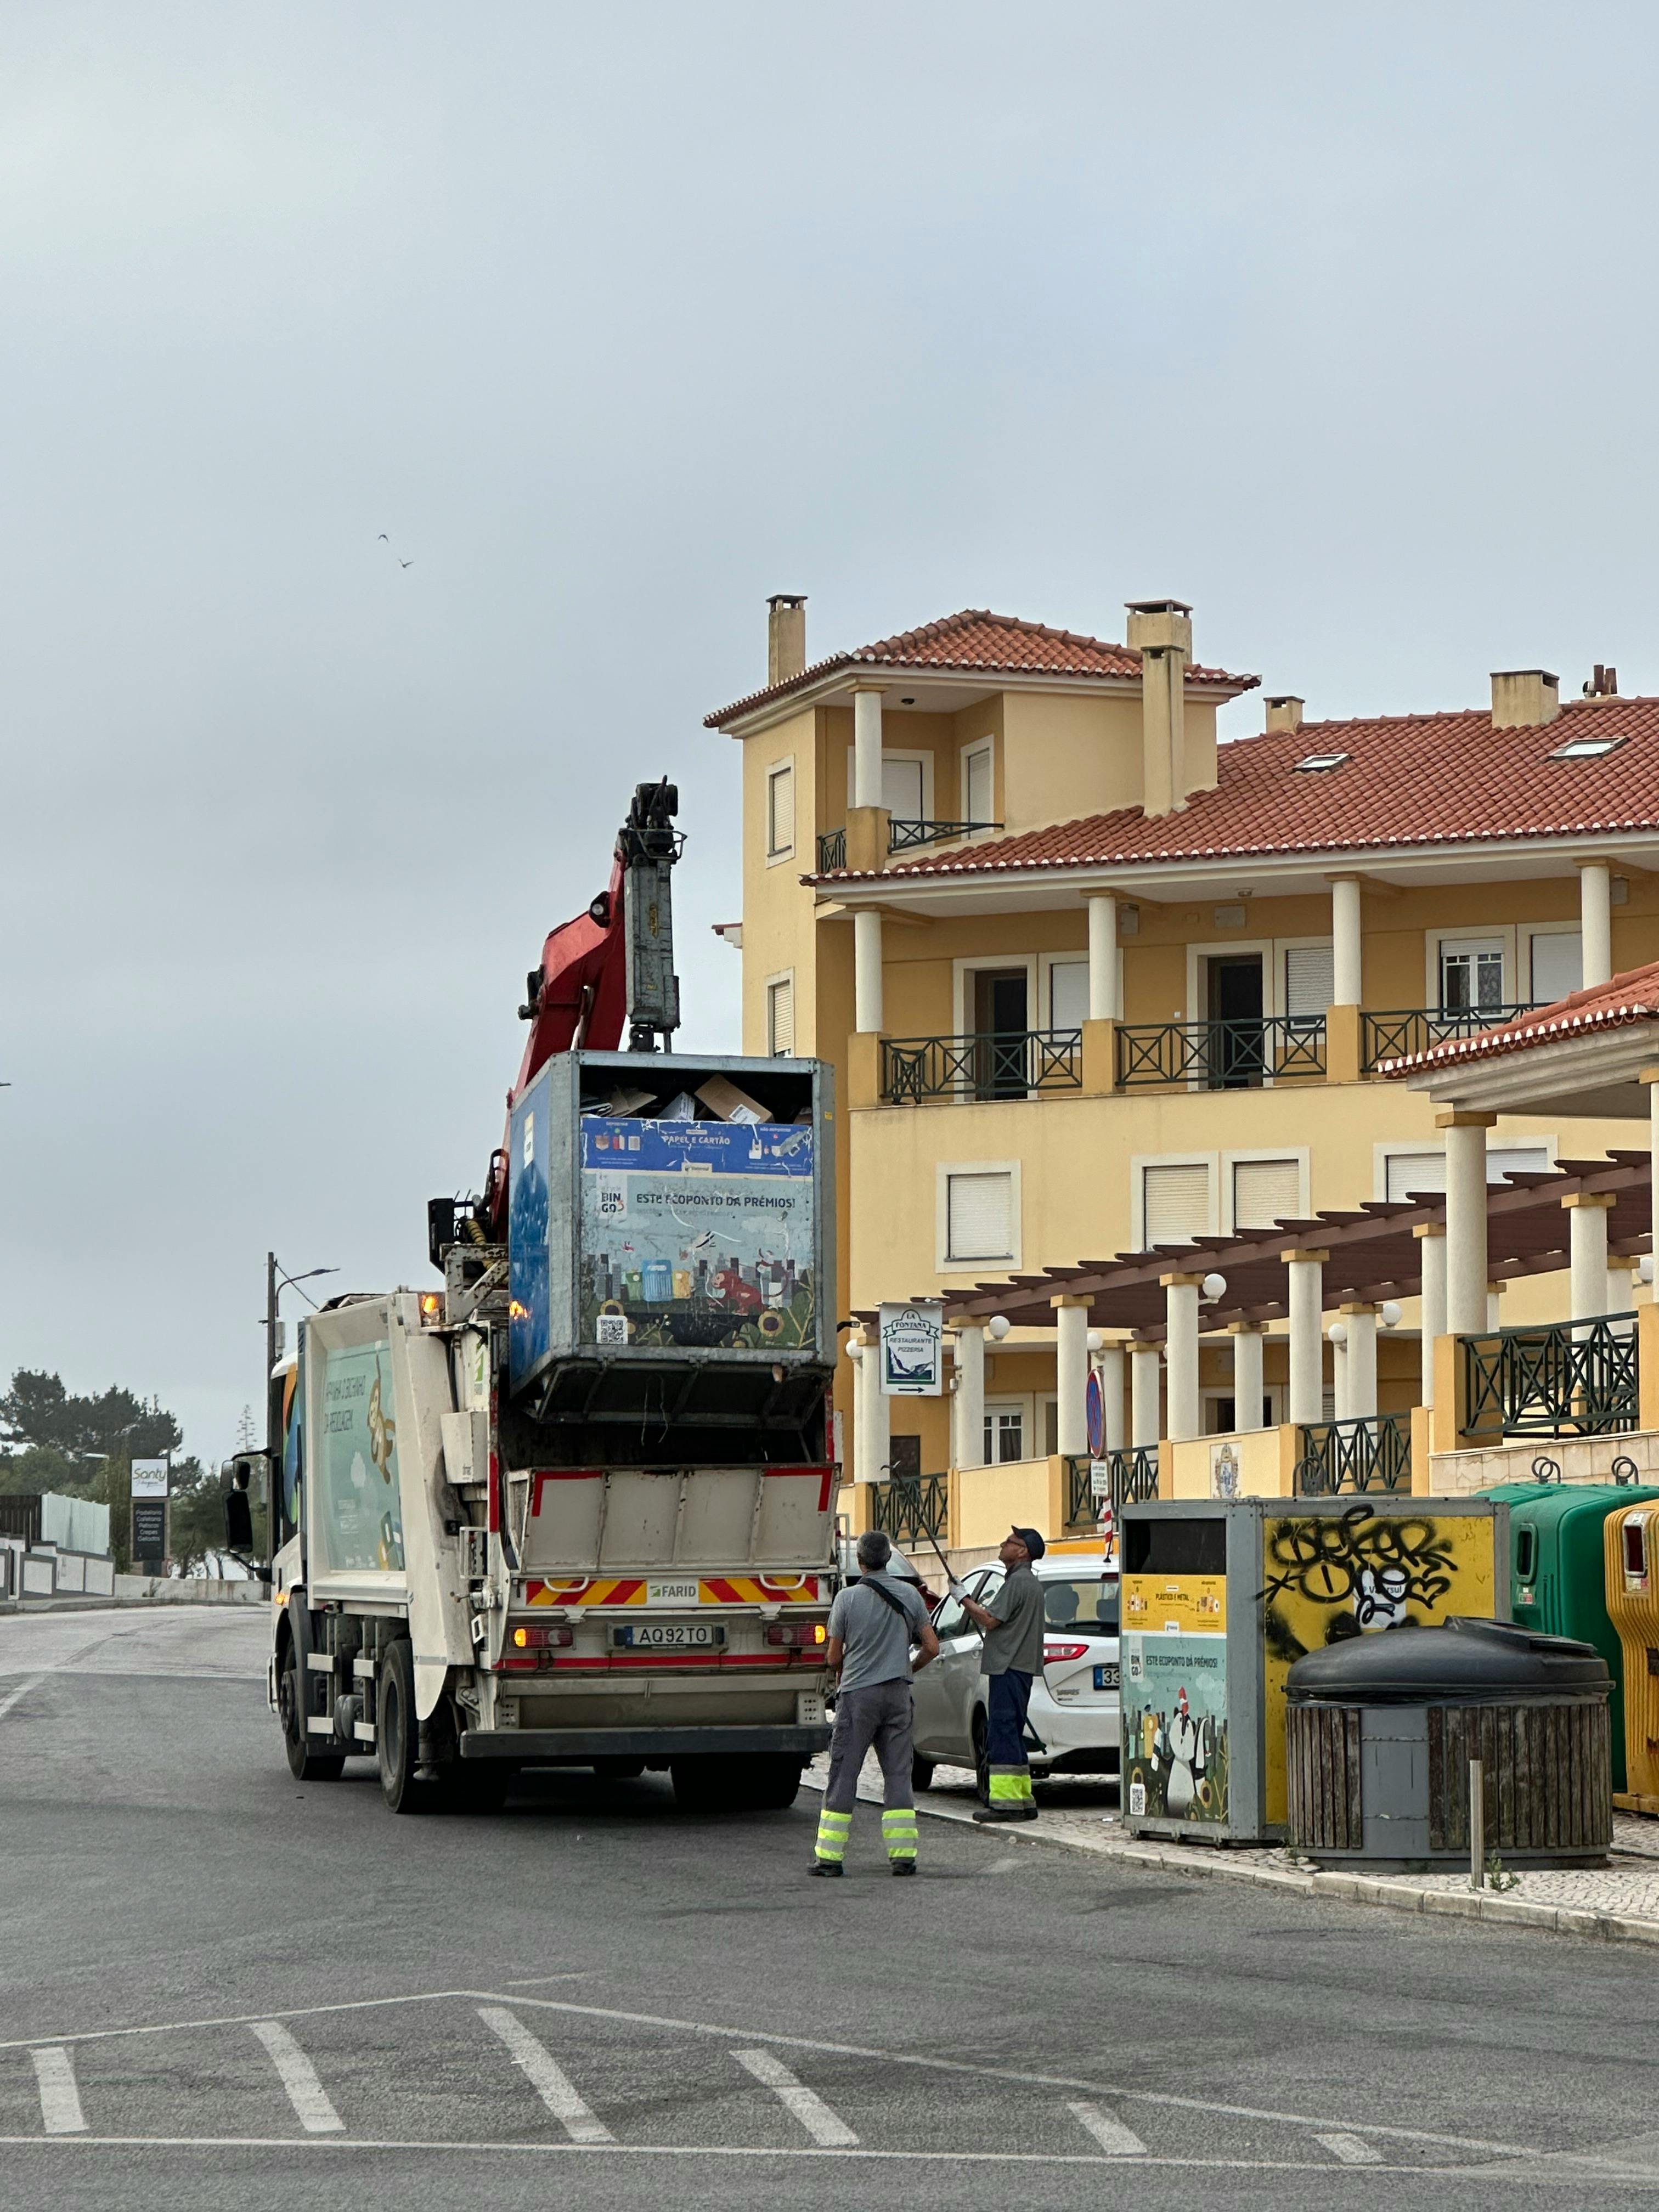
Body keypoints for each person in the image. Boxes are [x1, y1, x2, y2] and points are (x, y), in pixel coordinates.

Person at [811, 1529, 939, 1877]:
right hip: (898, 1693)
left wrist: (845, 1665)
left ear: (860, 1561)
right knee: (899, 1774)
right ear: (888, 1558)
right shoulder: (911, 1595)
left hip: (859, 1697)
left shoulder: (847, 1599)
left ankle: (830, 1858)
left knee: (844, 1773)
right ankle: (903, 1857)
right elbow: (932, 1646)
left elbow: (833, 1655)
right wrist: (908, 1668)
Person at [957, 1525, 1046, 1824]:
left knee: (1003, 1732)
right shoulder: (1028, 1583)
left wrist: (964, 1599)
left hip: (1008, 1667)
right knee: (1012, 1731)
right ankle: (1023, 1799)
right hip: (1018, 1668)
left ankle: (1005, 1804)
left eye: (1010, 1542)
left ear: (1022, 1552)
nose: (1003, 1544)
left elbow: (990, 1619)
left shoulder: (1018, 1582)